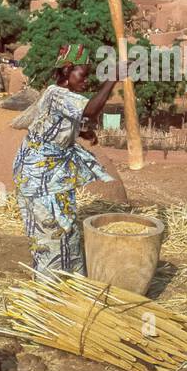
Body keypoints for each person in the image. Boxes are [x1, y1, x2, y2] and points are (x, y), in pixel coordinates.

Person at [12, 44, 120, 279]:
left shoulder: (64, 97)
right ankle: (48, 293)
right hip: (39, 176)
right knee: (49, 233)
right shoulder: (56, 93)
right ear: (68, 71)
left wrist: (82, 133)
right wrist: (112, 79)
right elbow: (90, 111)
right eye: (82, 74)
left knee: (67, 228)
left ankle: (70, 284)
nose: (86, 81)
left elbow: (60, 124)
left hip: (54, 174)